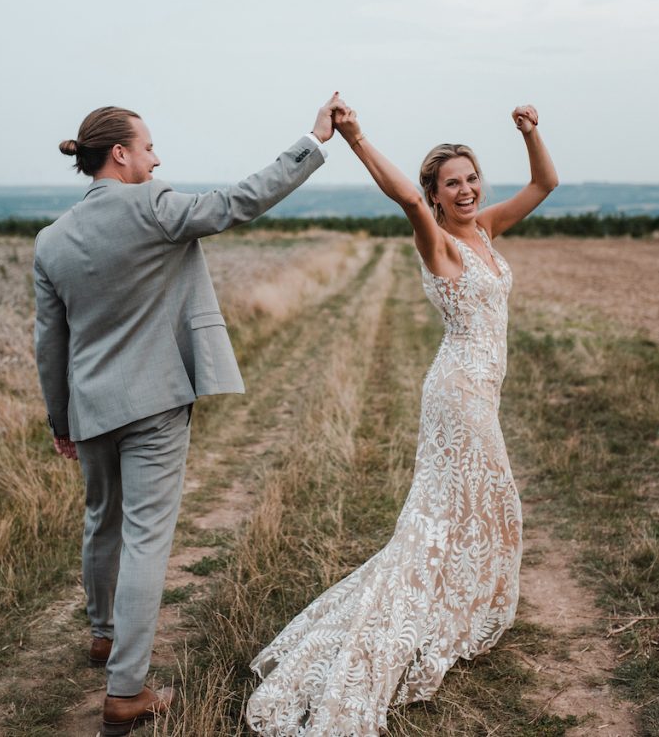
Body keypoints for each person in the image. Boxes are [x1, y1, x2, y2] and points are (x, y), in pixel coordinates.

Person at [34, 94, 344, 736]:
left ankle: (102, 636)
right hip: (154, 403)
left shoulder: (52, 241)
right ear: (120, 154)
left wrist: (59, 419)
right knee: (147, 535)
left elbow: (50, 343)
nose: (157, 158)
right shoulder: (155, 206)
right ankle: (126, 692)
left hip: (90, 406)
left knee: (102, 520)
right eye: (148, 147)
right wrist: (313, 141)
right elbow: (239, 202)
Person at [246, 102, 558, 736]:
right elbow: (401, 198)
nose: (467, 189)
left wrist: (530, 132)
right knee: (466, 508)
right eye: (452, 183)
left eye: (471, 178)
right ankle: (421, 615)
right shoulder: (437, 238)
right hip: (459, 392)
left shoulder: (486, 230)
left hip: (480, 389)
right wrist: (357, 137)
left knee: (469, 507)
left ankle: (453, 606)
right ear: (434, 196)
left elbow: (545, 185)